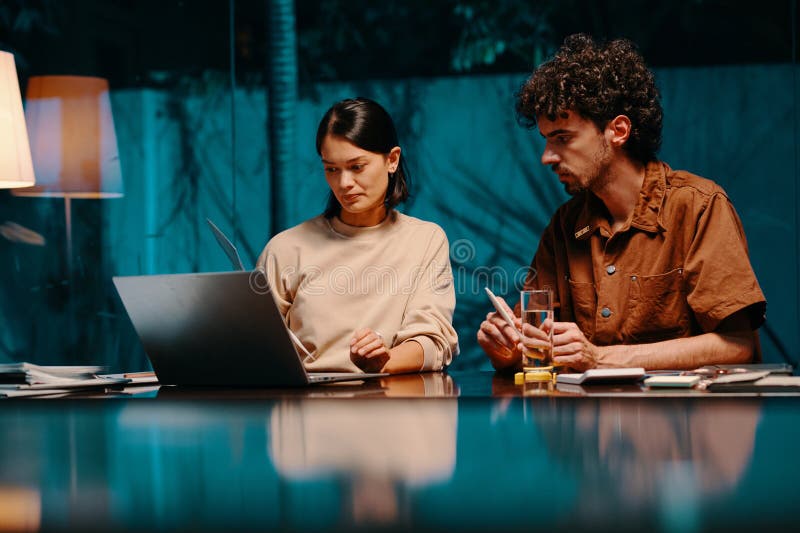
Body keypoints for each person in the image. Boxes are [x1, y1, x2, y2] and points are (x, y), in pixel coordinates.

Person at [478, 34, 766, 372]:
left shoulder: (698, 207)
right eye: (546, 140)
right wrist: (507, 350)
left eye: (562, 138)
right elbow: (534, 348)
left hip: (686, 420)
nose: (546, 157)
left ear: (618, 130)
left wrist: (601, 358)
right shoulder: (564, 226)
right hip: (584, 421)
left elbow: (738, 345)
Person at [257, 97, 458, 374]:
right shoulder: (285, 249)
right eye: (332, 169)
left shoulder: (425, 241)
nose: (344, 183)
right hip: (306, 407)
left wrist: (383, 362)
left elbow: (434, 343)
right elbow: (256, 348)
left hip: (391, 402)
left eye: (357, 167)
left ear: (392, 160)